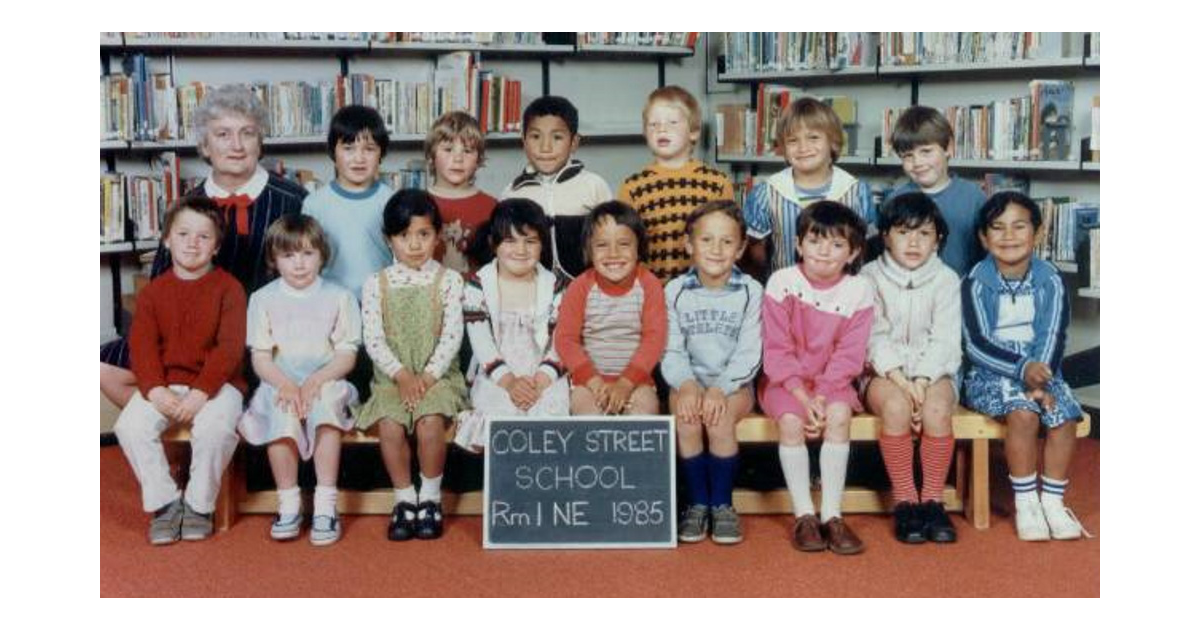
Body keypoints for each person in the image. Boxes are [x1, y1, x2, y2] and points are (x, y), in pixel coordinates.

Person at [102, 84, 306, 409]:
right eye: (223, 134)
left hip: (270, 342)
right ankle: (184, 437)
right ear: (205, 145)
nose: (236, 145)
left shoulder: (295, 201)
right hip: (194, 342)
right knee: (103, 366)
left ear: (260, 142)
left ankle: (223, 437)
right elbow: (160, 289)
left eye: (247, 133)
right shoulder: (186, 207)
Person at [113, 196, 246, 545]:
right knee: (130, 425)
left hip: (219, 384)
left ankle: (199, 505)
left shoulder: (229, 288)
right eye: (183, 233)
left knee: (215, 427)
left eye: (204, 237)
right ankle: (166, 503)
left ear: (216, 247)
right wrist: (155, 389)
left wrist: (203, 392)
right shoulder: (153, 293)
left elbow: (229, 349)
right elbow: (142, 347)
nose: (192, 242)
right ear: (167, 239)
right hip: (166, 383)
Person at [962, 191, 1086, 541]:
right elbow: (976, 343)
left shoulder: (1051, 279)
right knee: (1024, 414)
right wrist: (1022, 371)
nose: (1009, 236)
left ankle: (1052, 502)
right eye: (997, 229)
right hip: (992, 370)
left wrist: (1040, 377)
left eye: (1019, 227)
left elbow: (1053, 332)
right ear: (984, 239)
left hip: (1044, 367)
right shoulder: (975, 281)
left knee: (1063, 415)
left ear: (1039, 234)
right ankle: (1026, 502)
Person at [237, 215, 361, 546]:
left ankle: (325, 505)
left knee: (325, 412)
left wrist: (317, 380)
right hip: (281, 381)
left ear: (322, 255)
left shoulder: (340, 296)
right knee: (282, 410)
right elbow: (260, 357)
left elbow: (346, 354)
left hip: (327, 380)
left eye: (308, 254)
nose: (299, 264)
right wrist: (287, 385)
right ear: (274, 260)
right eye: (289, 256)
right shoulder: (263, 298)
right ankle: (288, 503)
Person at [760, 201, 872, 555]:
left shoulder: (859, 290)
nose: (824, 251)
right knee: (791, 421)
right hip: (785, 383)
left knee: (839, 418)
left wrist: (822, 396)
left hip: (833, 384)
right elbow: (776, 350)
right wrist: (803, 396)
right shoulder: (782, 283)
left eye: (838, 245)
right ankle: (805, 515)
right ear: (798, 244)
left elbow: (850, 355)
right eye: (815, 240)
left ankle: (832, 515)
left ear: (853, 253)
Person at [356, 189, 466, 542]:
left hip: (438, 377)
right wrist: (402, 375)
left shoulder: (449, 280)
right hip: (392, 377)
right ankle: (405, 499)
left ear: (437, 236)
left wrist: (427, 376)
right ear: (390, 239)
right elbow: (373, 339)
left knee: (429, 421)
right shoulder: (376, 284)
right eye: (404, 236)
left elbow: (452, 336)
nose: (415, 244)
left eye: (423, 234)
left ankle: (430, 499)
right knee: (390, 424)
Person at [860, 192, 962, 544]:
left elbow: (947, 339)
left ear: (938, 239)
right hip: (883, 372)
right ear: (885, 235)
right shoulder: (868, 276)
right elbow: (873, 336)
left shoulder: (947, 279)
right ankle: (905, 499)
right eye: (903, 232)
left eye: (925, 233)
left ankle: (932, 500)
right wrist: (901, 379)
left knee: (936, 409)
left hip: (933, 371)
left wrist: (922, 378)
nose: (914, 242)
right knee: (895, 407)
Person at [662, 201, 762, 545]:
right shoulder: (675, 291)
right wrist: (687, 385)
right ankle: (697, 502)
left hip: (734, 385)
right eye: (706, 240)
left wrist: (721, 388)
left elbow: (750, 352)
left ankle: (721, 503)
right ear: (689, 245)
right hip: (687, 380)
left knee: (718, 419)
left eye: (726, 241)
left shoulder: (751, 291)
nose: (716, 250)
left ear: (741, 248)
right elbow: (671, 350)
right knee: (687, 417)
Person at [455, 199, 570, 451]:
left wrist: (541, 381)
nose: (521, 250)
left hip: (544, 373)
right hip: (497, 373)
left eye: (530, 241)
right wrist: (509, 383)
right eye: (510, 240)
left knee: (550, 406)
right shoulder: (478, 286)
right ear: (493, 244)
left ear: (542, 245)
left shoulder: (555, 285)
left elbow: (562, 342)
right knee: (498, 408)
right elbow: (482, 343)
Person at [554, 201, 666, 416]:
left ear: (639, 248)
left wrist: (626, 384)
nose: (613, 253)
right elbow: (565, 339)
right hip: (588, 383)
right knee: (588, 416)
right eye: (602, 245)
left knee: (645, 413)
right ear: (589, 249)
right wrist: (595, 383)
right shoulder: (580, 286)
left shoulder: (649, 284)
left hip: (637, 382)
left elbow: (654, 339)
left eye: (624, 244)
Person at [743, 97, 874, 280]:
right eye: (793, 141)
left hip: (842, 294)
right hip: (786, 293)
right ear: (783, 147)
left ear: (833, 142)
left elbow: (864, 246)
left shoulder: (855, 191)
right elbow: (757, 251)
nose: (803, 147)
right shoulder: (767, 192)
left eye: (813, 137)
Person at [617, 85, 733, 282]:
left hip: (704, 289)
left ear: (694, 132)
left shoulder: (717, 183)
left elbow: (730, 238)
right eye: (653, 124)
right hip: (652, 291)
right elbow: (625, 244)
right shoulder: (633, 188)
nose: (661, 128)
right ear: (645, 133)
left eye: (672, 122)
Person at [500, 95, 612, 279]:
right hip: (532, 290)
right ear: (524, 142)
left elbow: (610, 238)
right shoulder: (512, 193)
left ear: (574, 142)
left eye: (557, 137)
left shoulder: (594, 186)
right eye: (536, 136)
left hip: (586, 286)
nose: (545, 147)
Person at [301, 104, 393, 300]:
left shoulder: (390, 201)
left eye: (369, 149)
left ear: (381, 154)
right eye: (348, 148)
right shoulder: (315, 204)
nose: (359, 158)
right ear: (333, 153)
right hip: (330, 301)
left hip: (382, 300)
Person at [884, 105, 987, 276]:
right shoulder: (895, 199)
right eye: (908, 156)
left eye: (926, 151)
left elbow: (987, 253)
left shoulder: (974, 197)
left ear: (949, 148)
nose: (917, 162)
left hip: (962, 293)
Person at [425, 111, 497, 275]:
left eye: (467, 151)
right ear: (431, 156)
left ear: (478, 160)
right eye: (448, 149)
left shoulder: (492, 207)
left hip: (478, 297)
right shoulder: (417, 204)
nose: (458, 158)